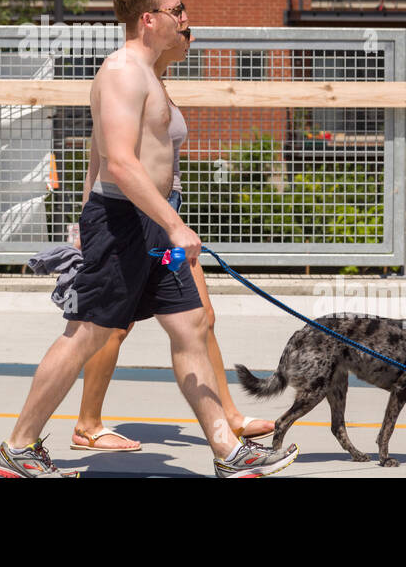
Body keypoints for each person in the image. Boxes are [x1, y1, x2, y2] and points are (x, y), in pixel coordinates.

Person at [0, 0, 298, 478]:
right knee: (87, 333)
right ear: (147, 18)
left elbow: (102, 150)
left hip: (152, 221)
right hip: (123, 222)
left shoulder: (152, 73)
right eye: (177, 11)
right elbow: (119, 162)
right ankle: (19, 446)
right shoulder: (122, 72)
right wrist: (169, 225)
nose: (186, 18)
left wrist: (159, 221)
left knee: (193, 327)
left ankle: (227, 450)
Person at [68, 24, 274, 452]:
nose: (189, 37)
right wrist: (84, 222)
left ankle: (229, 419)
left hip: (163, 215)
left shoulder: (156, 81)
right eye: (184, 28)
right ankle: (87, 424)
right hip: (133, 216)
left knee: (200, 317)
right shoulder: (125, 75)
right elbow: (101, 151)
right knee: (111, 327)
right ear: (153, 27)